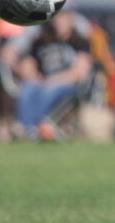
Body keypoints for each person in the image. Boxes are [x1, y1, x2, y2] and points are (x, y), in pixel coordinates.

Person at [8, 9, 92, 140]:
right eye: (56, 17)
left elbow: (78, 72)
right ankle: (21, 126)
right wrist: (32, 74)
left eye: (63, 16)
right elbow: (29, 62)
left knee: (48, 90)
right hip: (43, 81)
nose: (58, 21)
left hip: (66, 84)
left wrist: (54, 79)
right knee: (27, 87)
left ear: (70, 18)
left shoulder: (79, 41)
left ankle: (30, 128)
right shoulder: (43, 38)